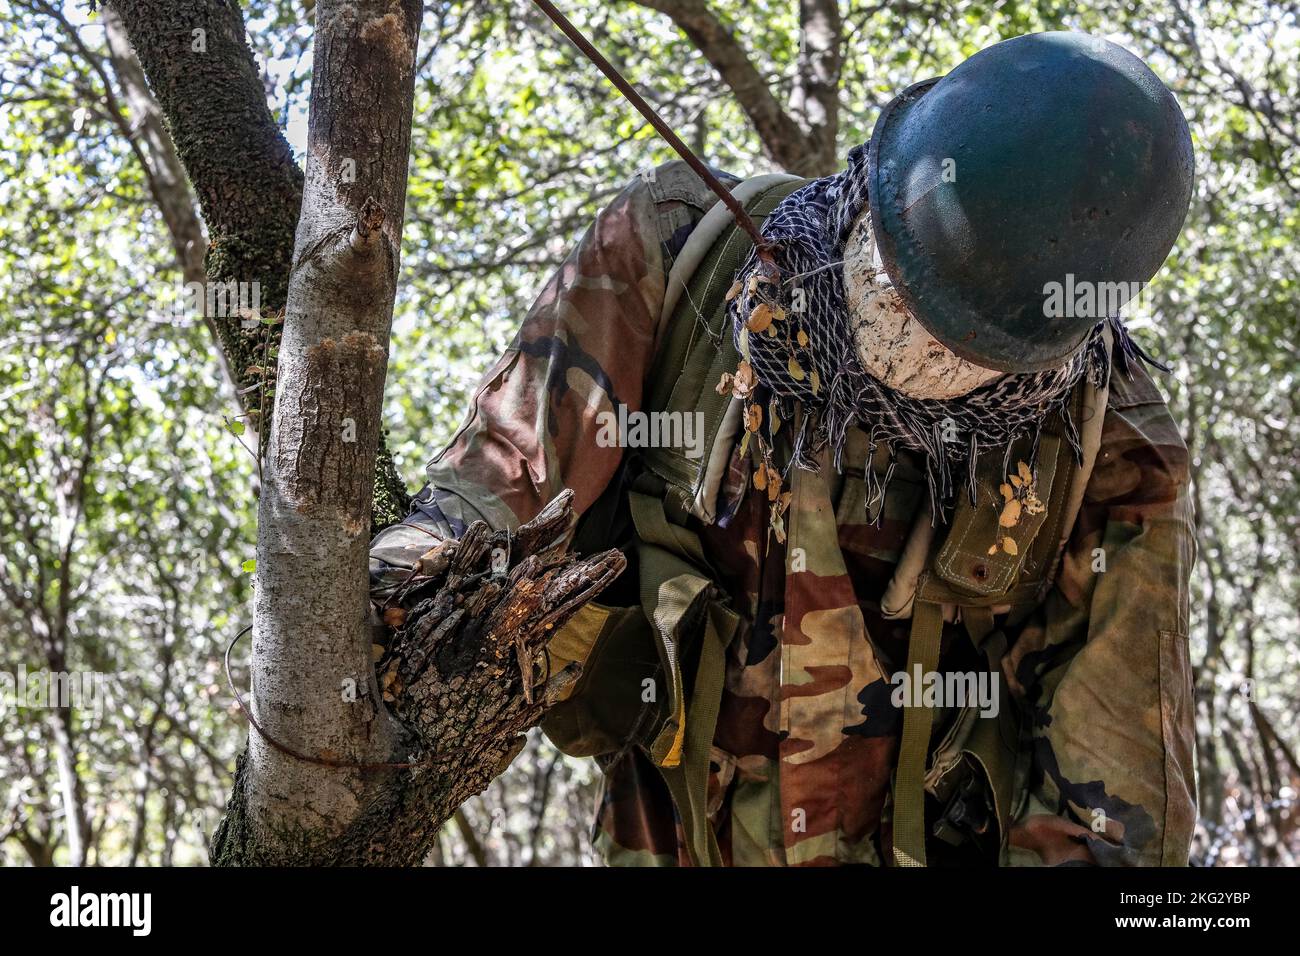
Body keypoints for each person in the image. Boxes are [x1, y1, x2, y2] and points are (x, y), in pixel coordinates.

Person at [370, 31, 1197, 867]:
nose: (896, 335)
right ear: (873, 177)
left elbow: (1116, 813)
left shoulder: (1105, 439)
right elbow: (488, 500)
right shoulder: (677, 254)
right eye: (888, 276)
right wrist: (383, 592)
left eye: (947, 339)